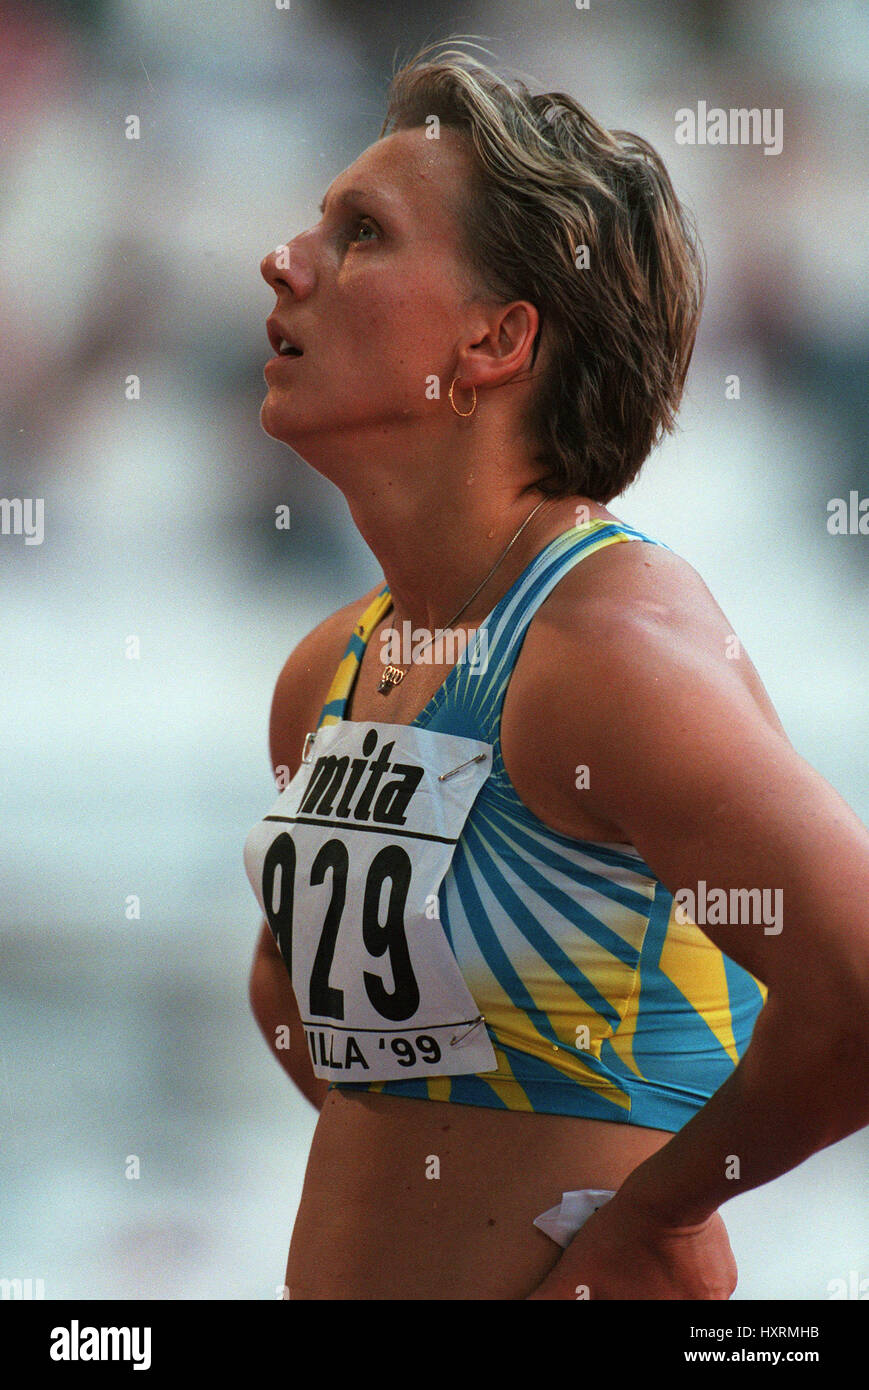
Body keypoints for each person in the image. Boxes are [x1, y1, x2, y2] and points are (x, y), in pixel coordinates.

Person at [244, 42, 869, 1300]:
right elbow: (294, 997)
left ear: (494, 339)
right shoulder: (328, 668)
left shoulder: (605, 655)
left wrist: (659, 1212)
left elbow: (856, 988)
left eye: (360, 232)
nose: (284, 259)